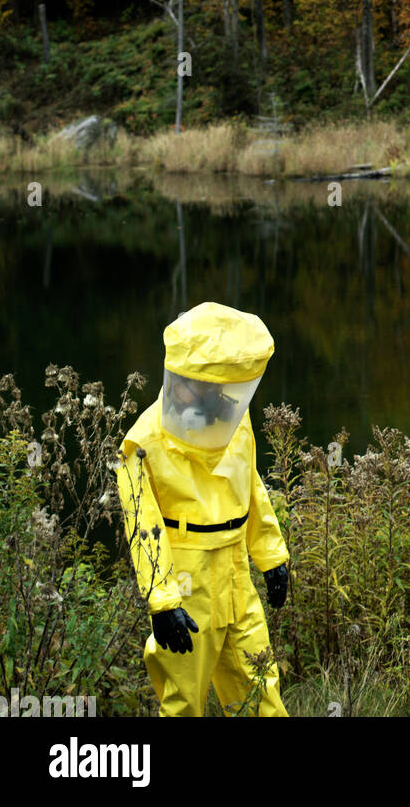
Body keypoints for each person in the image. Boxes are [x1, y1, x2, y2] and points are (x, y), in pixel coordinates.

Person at [116, 301, 290, 717]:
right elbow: (143, 526)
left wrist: (270, 554)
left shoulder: (231, 421)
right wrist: (162, 601)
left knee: (260, 689)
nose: (186, 394)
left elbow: (251, 487)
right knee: (183, 703)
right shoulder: (142, 443)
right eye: (183, 385)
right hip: (185, 584)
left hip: (235, 578)